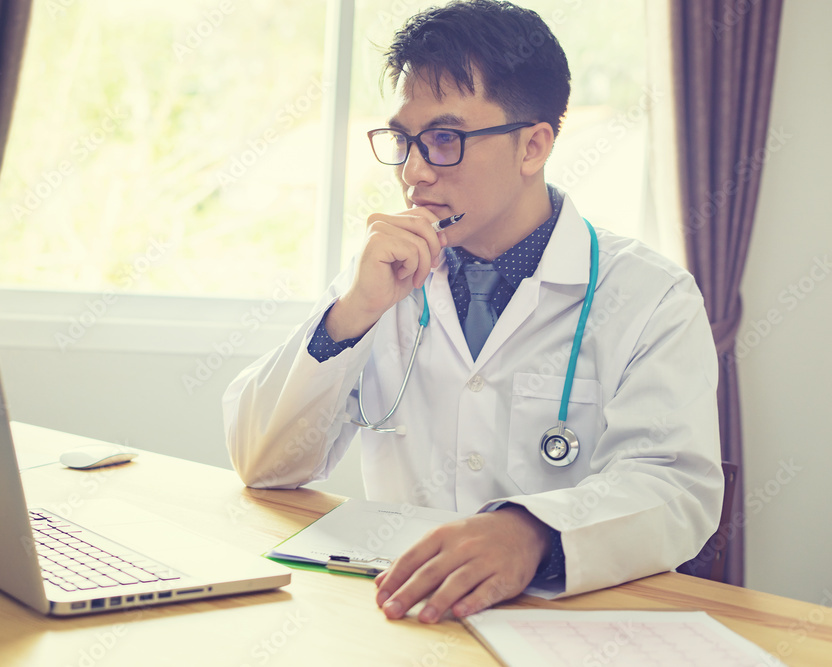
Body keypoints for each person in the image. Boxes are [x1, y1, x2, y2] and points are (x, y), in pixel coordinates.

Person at [223, 0, 722, 624]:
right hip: (404, 615)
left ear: (533, 144)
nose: (414, 172)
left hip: (571, 625)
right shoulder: (383, 282)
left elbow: (678, 490)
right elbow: (263, 463)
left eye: (444, 139)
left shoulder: (650, 296)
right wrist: (354, 311)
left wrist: (531, 533)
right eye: (405, 141)